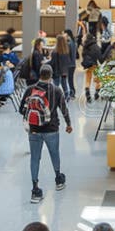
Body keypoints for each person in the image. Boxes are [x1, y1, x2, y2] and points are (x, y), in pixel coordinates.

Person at [19, 65, 73, 201]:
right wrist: (68, 124)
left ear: (39, 75)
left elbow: (21, 109)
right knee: (54, 154)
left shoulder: (30, 90)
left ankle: (35, 189)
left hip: (34, 130)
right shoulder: (56, 90)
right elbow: (64, 109)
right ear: (51, 75)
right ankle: (58, 179)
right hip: (52, 129)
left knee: (35, 158)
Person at [81, 34, 102, 102]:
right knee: (97, 79)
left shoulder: (85, 46)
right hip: (95, 65)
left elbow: (83, 56)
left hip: (87, 66)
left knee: (87, 80)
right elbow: (100, 56)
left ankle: (88, 94)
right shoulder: (96, 46)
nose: (82, 38)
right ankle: (97, 92)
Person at [64, 29, 78, 99]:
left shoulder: (69, 43)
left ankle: (72, 93)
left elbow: (67, 54)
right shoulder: (74, 42)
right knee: (70, 79)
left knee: (69, 79)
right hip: (73, 64)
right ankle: (72, 92)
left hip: (70, 64)